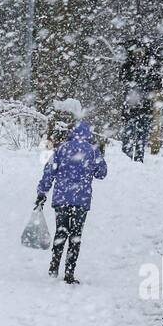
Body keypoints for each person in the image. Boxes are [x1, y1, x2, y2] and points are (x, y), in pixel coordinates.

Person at [35, 120, 108, 284]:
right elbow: (102, 173)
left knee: (61, 231)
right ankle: (69, 273)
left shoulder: (62, 148)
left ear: (72, 132)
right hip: (81, 200)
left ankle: (54, 264)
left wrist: (42, 192)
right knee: (75, 236)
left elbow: (49, 171)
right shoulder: (92, 150)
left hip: (62, 199)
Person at [120, 43, 163, 162]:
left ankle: (139, 160)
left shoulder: (151, 66)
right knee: (128, 136)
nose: (138, 54)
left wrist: (147, 80)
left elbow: (158, 84)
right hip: (130, 108)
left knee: (141, 137)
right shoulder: (127, 66)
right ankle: (126, 160)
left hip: (145, 108)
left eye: (141, 52)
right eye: (136, 52)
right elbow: (123, 80)